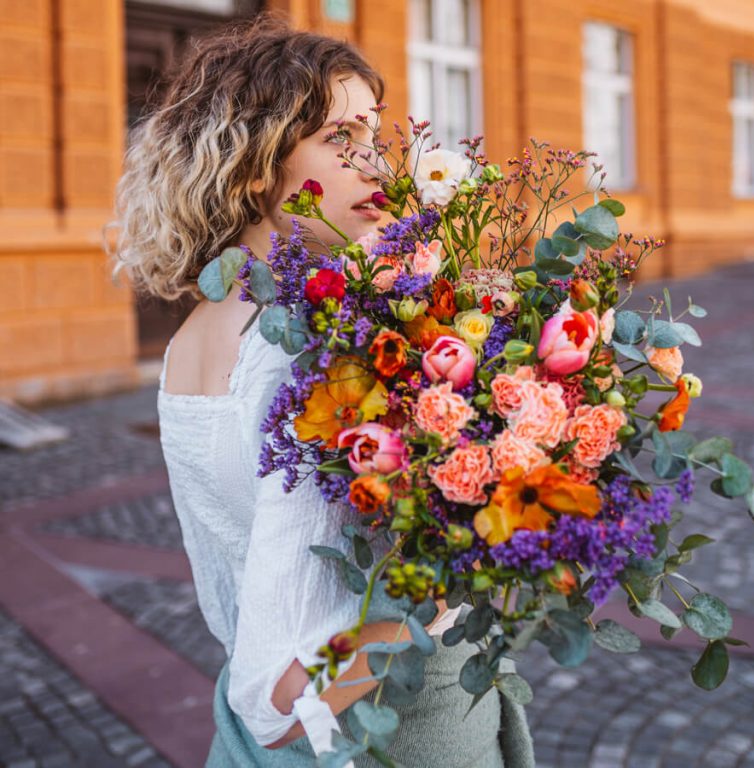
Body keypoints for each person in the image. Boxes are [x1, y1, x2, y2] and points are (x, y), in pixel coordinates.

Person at [113, 13, 535, 768]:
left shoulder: (192, 341)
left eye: (374, 138)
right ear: (253, 167)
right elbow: (276, 692)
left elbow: (246, 591)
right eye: (342, 140)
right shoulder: (305, 355)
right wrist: (444, 593)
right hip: (392, 735)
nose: (378, 167)